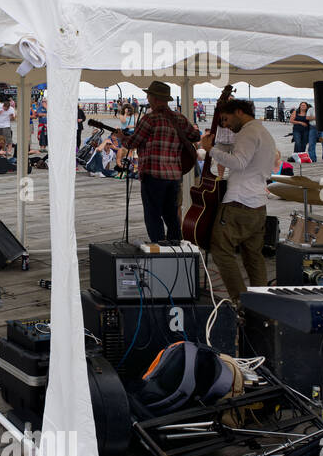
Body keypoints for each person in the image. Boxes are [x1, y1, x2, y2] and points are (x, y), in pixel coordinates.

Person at [200, 99, 277, 302]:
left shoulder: (248, 133)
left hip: (238, 203)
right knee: (254, 257)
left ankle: (240, 300)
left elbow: (239, 162)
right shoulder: (263, 133)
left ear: (239, 112)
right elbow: (239, 152)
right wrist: (217, 146)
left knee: (220, 251)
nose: (225, 124)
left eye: (226, 119)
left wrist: (211, 150)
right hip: (258, 204)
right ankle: (262, 301)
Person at [119, 81, 202, 242]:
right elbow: (195, 136)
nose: (147, 97)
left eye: (149, 95)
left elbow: (132, 143)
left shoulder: (149, 119)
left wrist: (122, 138)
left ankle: (158, 249)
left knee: (153, 215)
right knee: (171, 215)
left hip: (153, 175)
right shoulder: (179, 118)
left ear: (155, 98)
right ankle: (175, 247)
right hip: (174, 176)